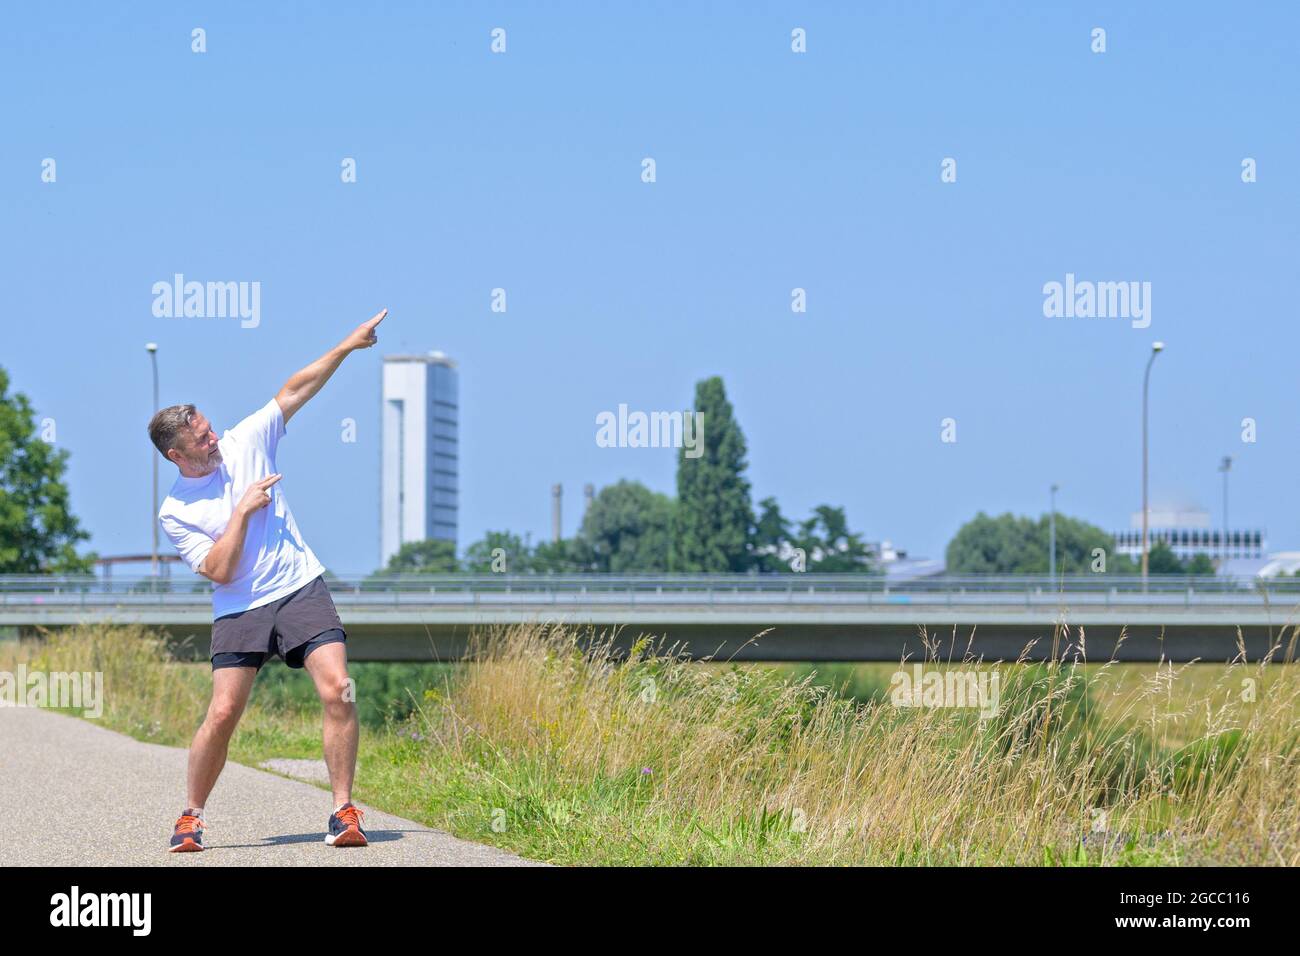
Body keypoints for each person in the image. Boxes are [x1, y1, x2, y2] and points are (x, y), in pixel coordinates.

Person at [147, 308, 388, 851]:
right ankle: (192, 815)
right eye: (202, 440)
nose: (214, 441)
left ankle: (343, 811)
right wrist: (242, 512)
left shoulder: (246, 440)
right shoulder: (176, 511)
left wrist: (347, 345)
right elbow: (220, 570)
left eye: (210, 430)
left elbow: (295, 387)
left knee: (338, 690)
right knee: (224, 712)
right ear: (175, 455)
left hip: (299, 584)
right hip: (240, 606)